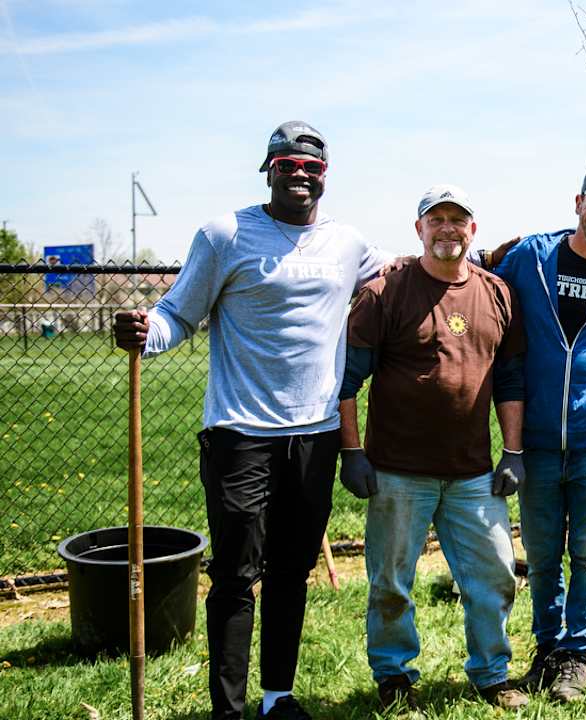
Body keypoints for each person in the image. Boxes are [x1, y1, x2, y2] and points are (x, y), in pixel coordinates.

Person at [113, 121, 392, 720]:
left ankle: (277, 698)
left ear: (326, 174)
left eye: (311, 166)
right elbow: (176, 315)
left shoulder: (347, 242)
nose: (300, 174)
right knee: (237, 577)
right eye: (287, 164)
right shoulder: (225, 236)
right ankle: (229, 710)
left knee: (292, 573)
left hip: (315, 436)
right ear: (267, 169)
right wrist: (145, 333)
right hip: (239, 436)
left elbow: (407, 270)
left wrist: (483, 257)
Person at [335, 184, 530, 711]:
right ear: (418, 228)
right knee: (392, 582)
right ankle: (394, 675)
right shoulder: (385, 293)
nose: (447, 228)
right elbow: (346, 382)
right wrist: (351, 453)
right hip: (398, 472)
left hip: (472, 473)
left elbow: (510, 380)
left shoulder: (496, 293)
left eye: (457, 219)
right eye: (435, 219)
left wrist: (512, 453)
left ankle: (491, 672)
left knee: (494, 575)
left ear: (473, 229)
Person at [477, 163, 586, 703]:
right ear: (577, 203)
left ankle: (577, 653)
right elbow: (476, 269)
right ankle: (547, 650)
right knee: (545, 552)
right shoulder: (532, 257)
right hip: (539, 439)